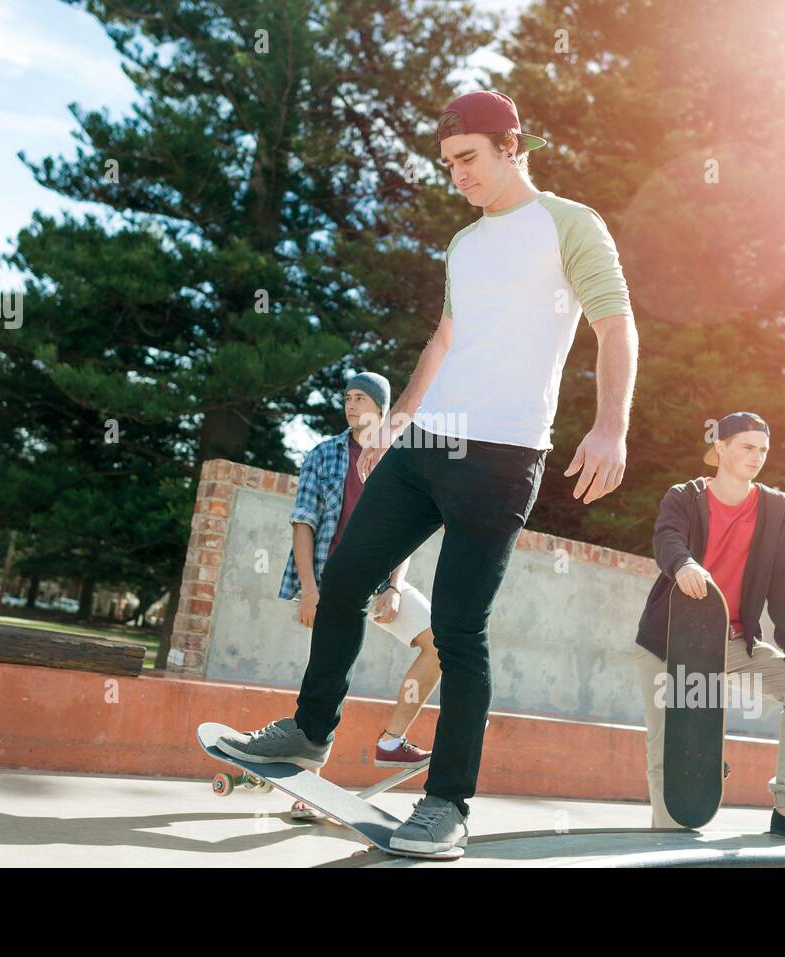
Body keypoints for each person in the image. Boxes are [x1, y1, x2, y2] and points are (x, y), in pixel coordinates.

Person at [218, 89, 637, 857]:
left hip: (505, 454)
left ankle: (446, 803)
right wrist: (396, 422)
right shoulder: (466, 245)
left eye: (469, 160)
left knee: (456, 628)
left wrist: (611, 424)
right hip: (427, 448)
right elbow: (444, 338)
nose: (458, 176)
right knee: (344, 579)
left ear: (513, 146)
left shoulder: (570, 224)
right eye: (447, 165)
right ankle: (310, 733)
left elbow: (616, 324)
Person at [632, 411, 785, 847]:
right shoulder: (686, 496)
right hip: (670, 643)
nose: (756, 457)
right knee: (669, 748)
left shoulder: (774, 507)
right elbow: (667, 538)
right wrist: (684, 563)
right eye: (747, 447)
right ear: (720, 448)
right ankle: (671, 837)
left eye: (763, 450)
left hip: (733, 642)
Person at [276, 372, 441, 820]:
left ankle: (392, 741)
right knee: (330, 681)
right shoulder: (323, 454)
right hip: (332, 583)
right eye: (347, 397)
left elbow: (405, 532)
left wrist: (393, 586)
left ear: (384, 408)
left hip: (380, 581)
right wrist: (310, 591)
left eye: (362, 398)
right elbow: (303, 524)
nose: (351, 405)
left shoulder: (399, 459)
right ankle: (306, 786)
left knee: (439, 642)